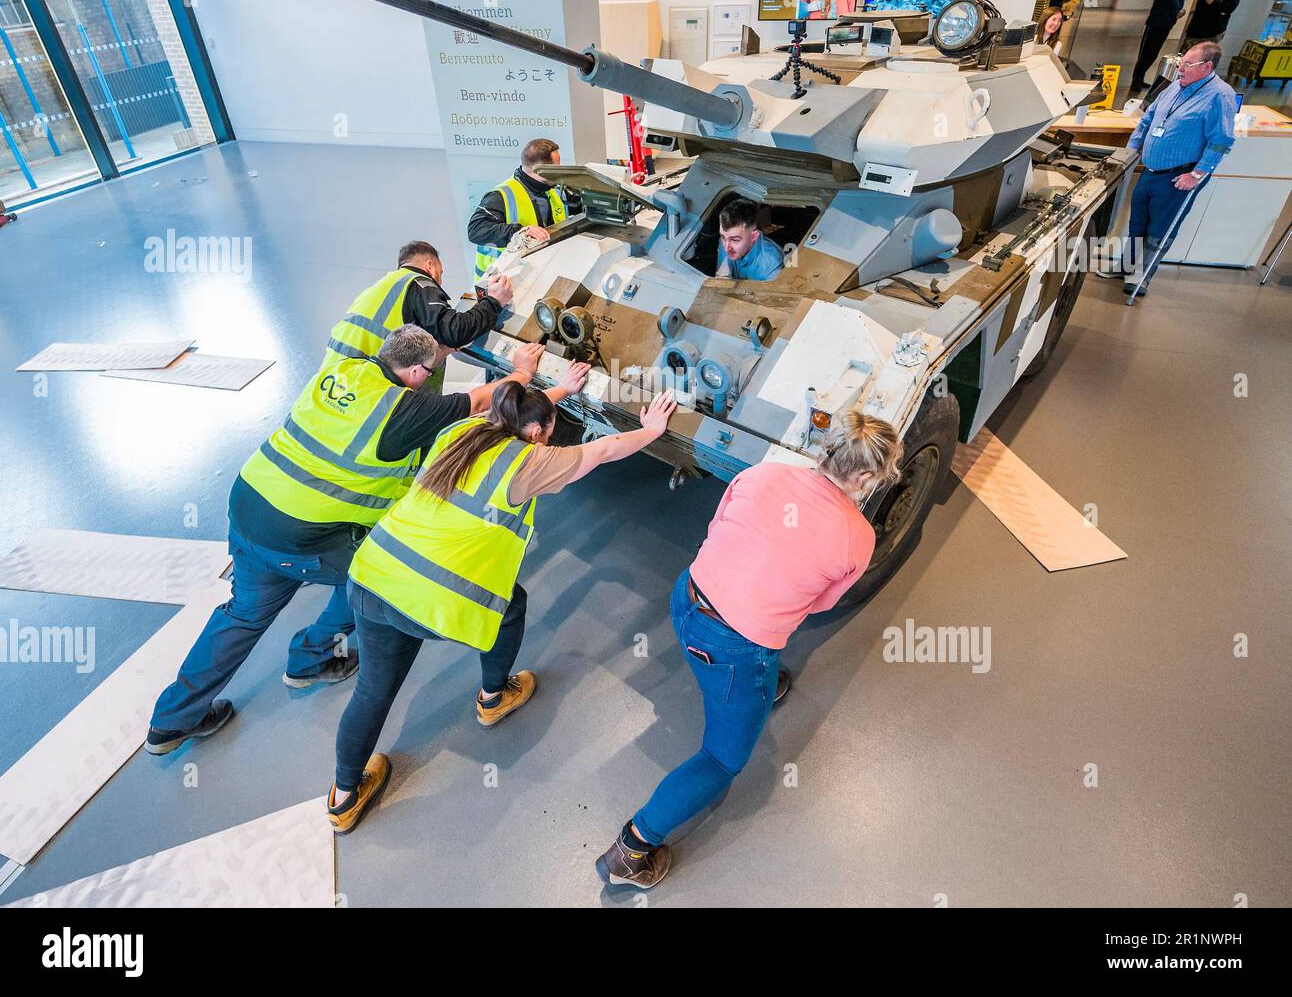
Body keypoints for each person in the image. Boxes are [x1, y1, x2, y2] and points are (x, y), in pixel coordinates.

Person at [145, 326, 545, 755]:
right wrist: (521, 374)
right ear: (415, 372)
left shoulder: (344, 370)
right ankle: (310, 658)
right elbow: (482, 401)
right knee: (372, 579)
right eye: (431, 369)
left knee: (241, 615)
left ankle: (172, 721)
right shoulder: (404, 411)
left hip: (249, 505)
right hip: (303, 538)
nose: (432, 378)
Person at [326, 380, 679, 833]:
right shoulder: (530, 461)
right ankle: (494, 697)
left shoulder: (461, 432)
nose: (549, 441)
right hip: (433, 596)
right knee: (510, 606)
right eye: (548, 433)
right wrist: (650, 430)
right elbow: (603, 451)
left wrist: (559, 391)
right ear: (535, 434)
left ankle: (344, 797)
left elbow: (512, 415)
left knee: (373, 691)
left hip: (375, 574)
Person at [595, 410, 903, 889]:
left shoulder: (761, 473)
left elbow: (717, 527)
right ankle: (630, 851)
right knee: (721, 760)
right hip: (734, 647)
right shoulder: (857, 537)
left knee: (746, 668)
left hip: (686, 597)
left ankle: (753, 686)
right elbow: (817, 605)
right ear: (864, 476)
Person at [1123, 41, 1237, 302]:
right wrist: (1131, 150)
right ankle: (1126, 268)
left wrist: (1196, 175)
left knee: (1159, 230)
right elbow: (1147, 119)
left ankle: (1141, 277)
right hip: (1150, 170)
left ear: (1207, 66)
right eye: (1181, 62)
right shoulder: (1174, 86)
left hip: (1177, 177)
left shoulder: (1220, 95)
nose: (1181, 69)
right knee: (1137, 224)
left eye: (1187, 64)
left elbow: (1222, 140)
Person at [323, 241, 514, 390]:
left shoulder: (382, 287)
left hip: (336, 379)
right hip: (370, 382)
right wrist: (494, 301)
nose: (439, 281)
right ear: (430, 265)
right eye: (440, 273)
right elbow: (454, 331)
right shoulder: (418, 282)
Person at [467, 137, 582, 281]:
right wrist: (520, 232)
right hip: (500, 284)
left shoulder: (554, 189)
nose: (559, 171)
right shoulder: (501, 196)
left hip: (541, 273)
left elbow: (580, 207)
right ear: (541, 171)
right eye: (556, 167)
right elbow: (475, 230)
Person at [1130, 0, 1199, 93]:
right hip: (1155, 25)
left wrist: (1178, 12)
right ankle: (1136, 81)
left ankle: (1141, 78)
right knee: (1145, 54)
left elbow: (1176, 4)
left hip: (1166, 26)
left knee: (1153, 54)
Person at [716, 197, 785, 281]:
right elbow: (720, 280)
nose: (726, 248)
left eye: (735, 240)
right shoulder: (726, 241)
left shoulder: (772, 265)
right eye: (723, 237)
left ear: (754, 236)